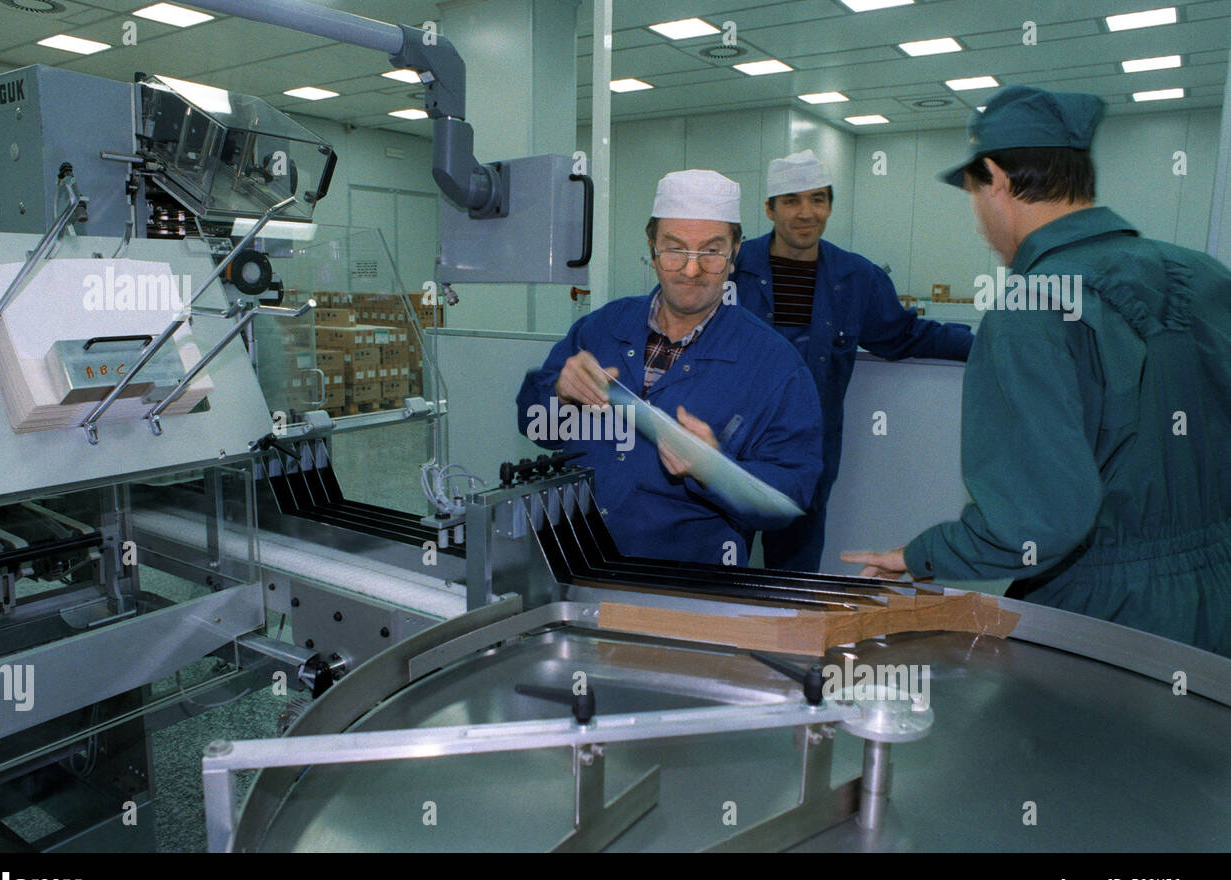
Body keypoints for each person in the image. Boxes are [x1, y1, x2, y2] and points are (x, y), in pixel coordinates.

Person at [843, 85, 1231, 656]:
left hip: (1109, 613)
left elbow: (1037, 523)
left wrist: (921, 555)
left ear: (997, 179)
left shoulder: (1031, 304)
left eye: (974, 194)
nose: (978, 221)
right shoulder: (1205, 275)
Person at [516, 169, 823, 565]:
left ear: (734, 255)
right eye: (675, 249)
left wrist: (716, 470)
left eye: (711, 252)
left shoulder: (776, 367)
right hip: (575, 558)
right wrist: (558, 391)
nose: (691, 270)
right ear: (652, 248)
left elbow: (791, 498)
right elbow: (532, 422)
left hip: (688, 581)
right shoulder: (600, 329)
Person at [733, 150, 974, 572]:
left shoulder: (856, 279)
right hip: (730, 446)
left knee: (794, 574)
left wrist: (990, 342)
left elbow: (905, 336)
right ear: (769, 208)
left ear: (830, 206)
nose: (806, 213)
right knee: (715, 563)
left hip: (806, 455)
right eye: (791, 200)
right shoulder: (731, 268)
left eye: (818, 199)